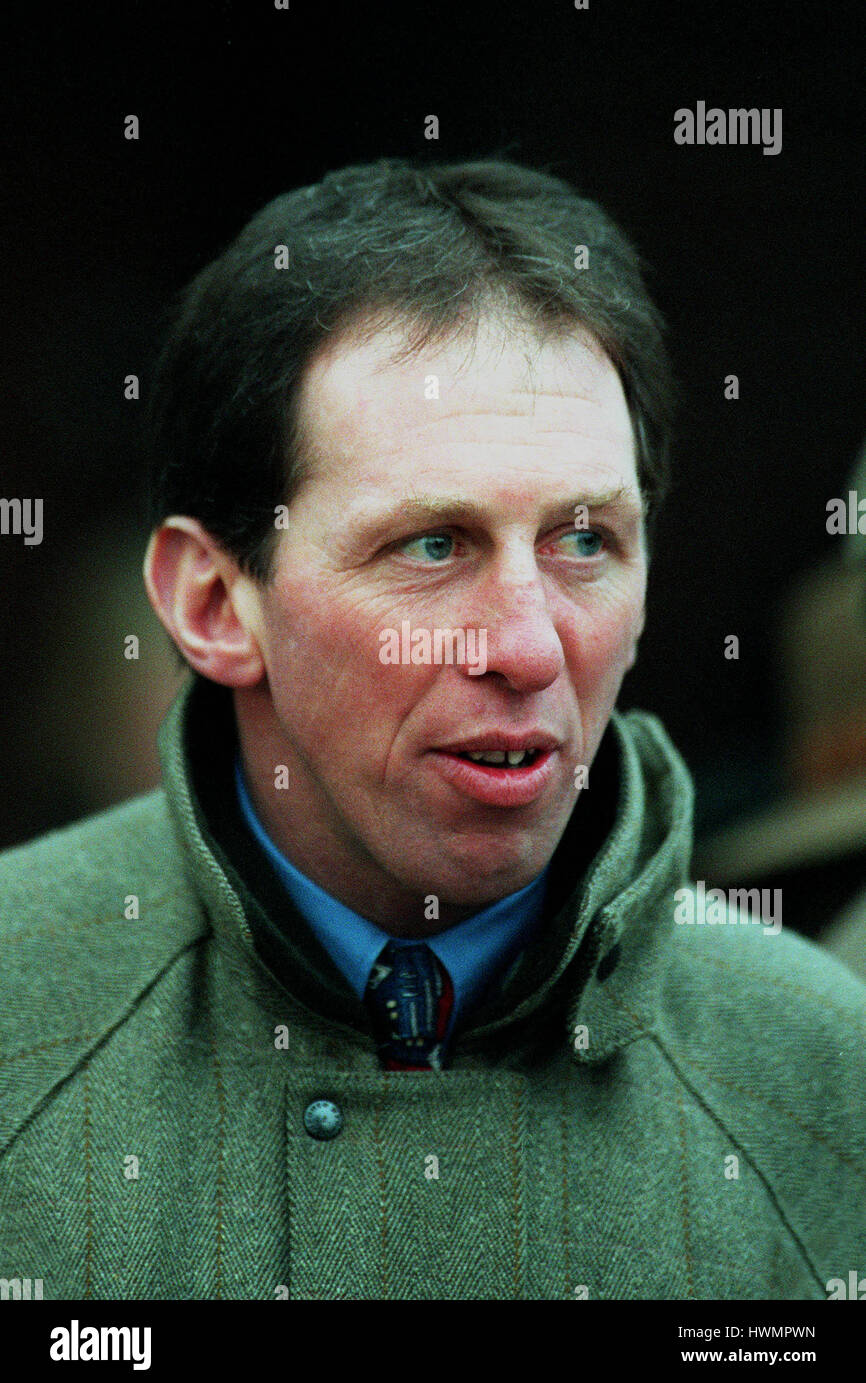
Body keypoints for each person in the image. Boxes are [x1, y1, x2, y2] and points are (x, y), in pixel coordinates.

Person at [1, 157, 864, 1301]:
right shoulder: (22, 1024)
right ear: (213, 604)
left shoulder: (817, 1073)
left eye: (583, 541)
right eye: (430, 546)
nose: (527, 645)